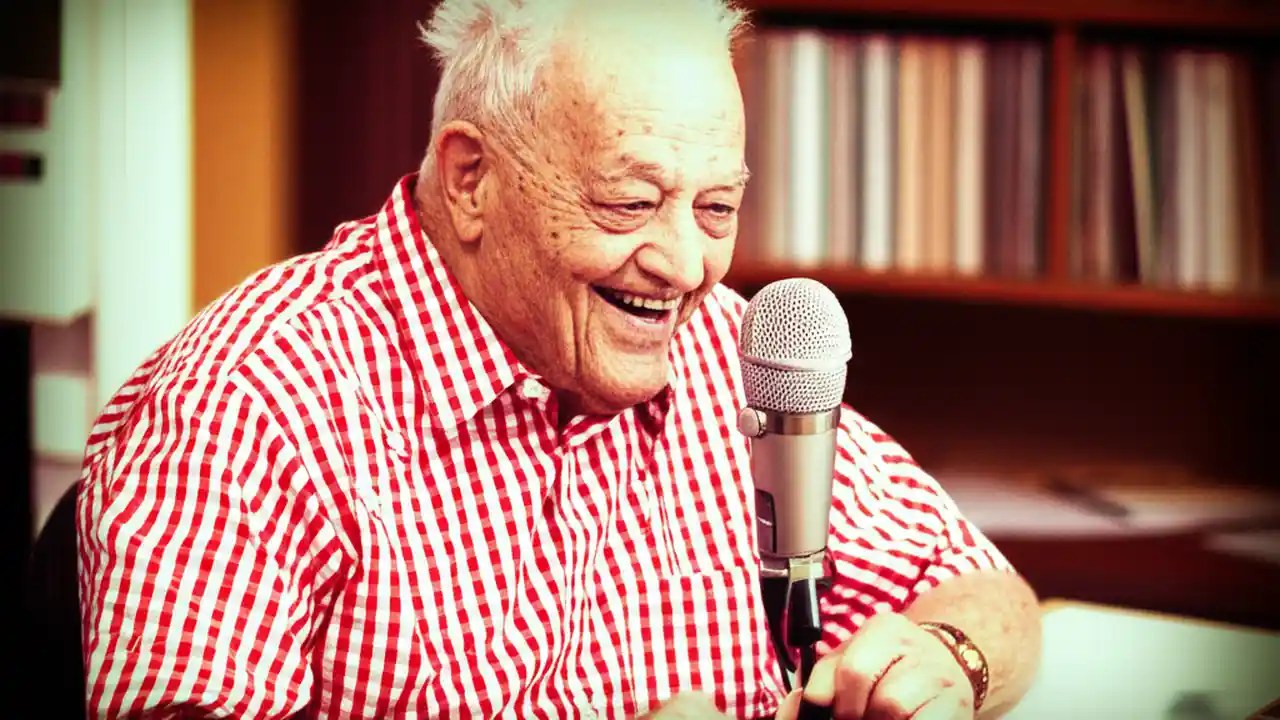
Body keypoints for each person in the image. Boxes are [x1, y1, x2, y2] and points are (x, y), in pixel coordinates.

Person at [76, 0, 1042, 718]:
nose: (687, 266)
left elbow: (987, 587)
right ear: (470, 179)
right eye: (628, 202)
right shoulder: (249, 398)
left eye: (717, 208)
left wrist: (945, 656)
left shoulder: (732, 346)